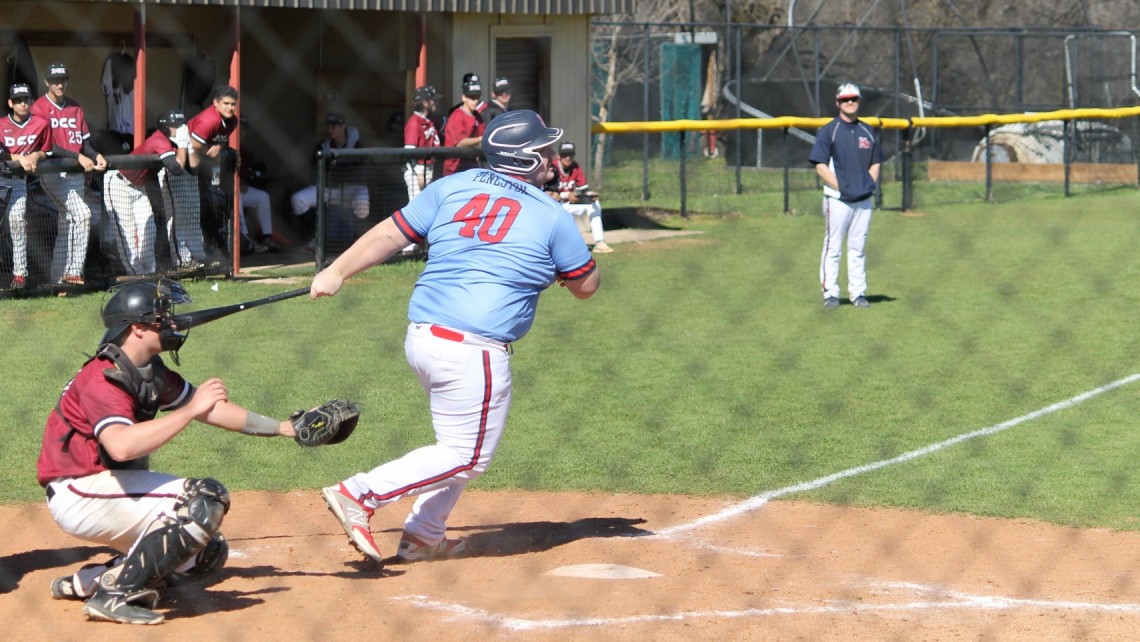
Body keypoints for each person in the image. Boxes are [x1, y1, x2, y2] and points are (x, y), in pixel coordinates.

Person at [311, 110, 600, 565]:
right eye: (543, 150)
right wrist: (557, 270)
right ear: (523, 160)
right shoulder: (551, 214)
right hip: (474, 350)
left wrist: (336, 270)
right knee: (468, 454)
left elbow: (390, 233)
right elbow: (586, 286)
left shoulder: (451, 187)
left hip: (422, 338)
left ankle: (424, 534)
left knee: (460, 443)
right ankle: (360, 494)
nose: (551, 157)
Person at [36, 278, 298, 625]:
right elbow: (122, 443)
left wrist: (284, 428)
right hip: (79, 491)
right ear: (137, 328)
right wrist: (188, 411)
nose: (173, 323)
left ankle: (92, 581)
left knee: (205, 550)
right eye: (162, 317)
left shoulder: (147, 372)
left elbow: (210, 409)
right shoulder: (103, 378)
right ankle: (115, 597)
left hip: (108, 488)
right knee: (203, 498)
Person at [32, 62, 107, 286]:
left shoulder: (75, 108)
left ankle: (57, 279)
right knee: (82, 215)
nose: (59, 84)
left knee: (68, 225)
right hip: (53, 172)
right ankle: (73, 273)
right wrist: (78, 157)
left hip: (75, 175)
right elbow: (47, 146)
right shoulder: (39, 108)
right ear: (46, 82)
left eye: (62, 79)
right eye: (54, 80)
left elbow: (84, 143)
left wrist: (96, 155)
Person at [809, 82, 882, 309]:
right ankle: (831, 292)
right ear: (837, 103)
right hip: (837, 199)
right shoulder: (829, 130)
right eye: (845, 99)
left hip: (863, 199)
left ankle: (858, 293)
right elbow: (820, 165)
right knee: (833, 247)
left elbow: (876, 161)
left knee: (857, 248)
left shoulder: (867, 130)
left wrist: (869, 183)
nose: (849, 102)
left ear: (859, 101)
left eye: (853, 99)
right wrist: (840, 186)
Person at [103, 109, 195, 275]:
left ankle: (149, 275)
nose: (180, 129)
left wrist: (187, 145)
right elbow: (176, 168)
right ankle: (136, 277)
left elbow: (194, 168)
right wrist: (183, 144)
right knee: (128, 235)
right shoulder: (158, 139)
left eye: (181, 125)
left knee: (149, 230)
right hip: (119, 183)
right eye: (175, 126)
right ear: (165, 127)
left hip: (140, 187)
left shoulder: (175, 143)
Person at [290, 112, 369, 250]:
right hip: (329, 188)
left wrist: (347, 177)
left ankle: (358, 238)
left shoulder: (357, 143)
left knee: (363, 199)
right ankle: (315, 236)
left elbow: (363, 169)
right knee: (298, 199)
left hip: (351, 188)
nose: (330, 130)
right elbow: (313, 170)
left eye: (334, 126)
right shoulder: (323, 145)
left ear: (343, 126)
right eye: (328, 126)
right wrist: (324, 180)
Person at [1, 82, 50, 290]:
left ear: (31, 101)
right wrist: (19, 157)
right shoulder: (1, 124)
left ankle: (20, 275)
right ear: (10, 103)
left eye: (26, 99)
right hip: (1, 178)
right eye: (18, 100)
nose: (22, 103)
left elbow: (47, 150)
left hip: (19, 182)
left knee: (17, 222)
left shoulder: (41, 124)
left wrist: (34, 155)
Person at [546, 141, 612, 253]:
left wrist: (590, 195)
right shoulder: (553, 168)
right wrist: (567, 195)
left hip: (570, 204)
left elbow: (583, 189)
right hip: (555, 207)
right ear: (559, 156)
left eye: (570, 154)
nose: (568, 157)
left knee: (594, 205)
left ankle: (600, 242)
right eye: (564, 155)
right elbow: (548, 194)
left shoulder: (575, 167)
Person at [441, 73, 485, 176]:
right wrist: (480, 139)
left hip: (472, 166)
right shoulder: (456, 116)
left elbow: (483, 137)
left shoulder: (477, 116)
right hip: (454, 167)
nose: (475, 100)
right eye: (471, 97)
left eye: (477, 97)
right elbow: (460, 143)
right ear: (464, 98)